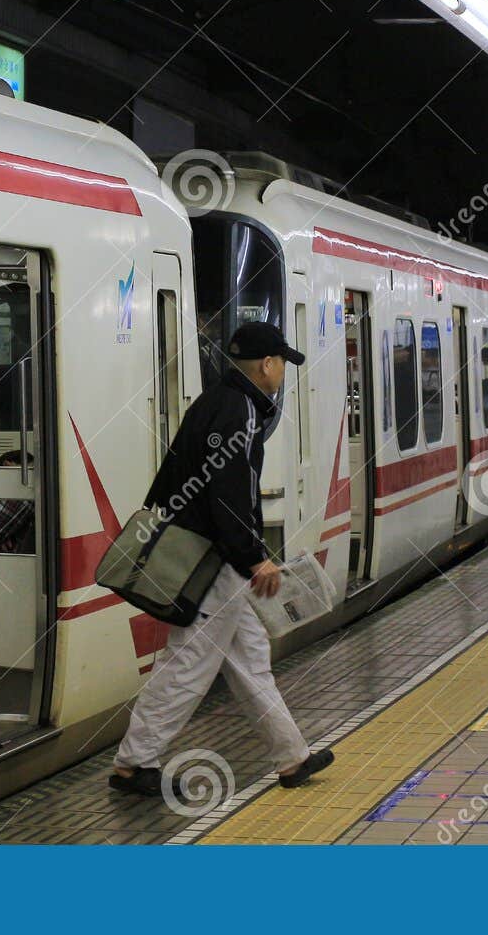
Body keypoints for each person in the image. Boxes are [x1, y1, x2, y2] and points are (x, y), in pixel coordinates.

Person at [111, 322, 333, 797]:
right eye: (281, 365)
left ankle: (292, 757)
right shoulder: (241, 409)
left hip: (210, 553)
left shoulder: (217, 401)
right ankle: (133, 763)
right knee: (188, 663)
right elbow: (230, 493)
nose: (281, 375)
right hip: (211, 561)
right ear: (267, 365)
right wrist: (254, 558)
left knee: (250, 662)